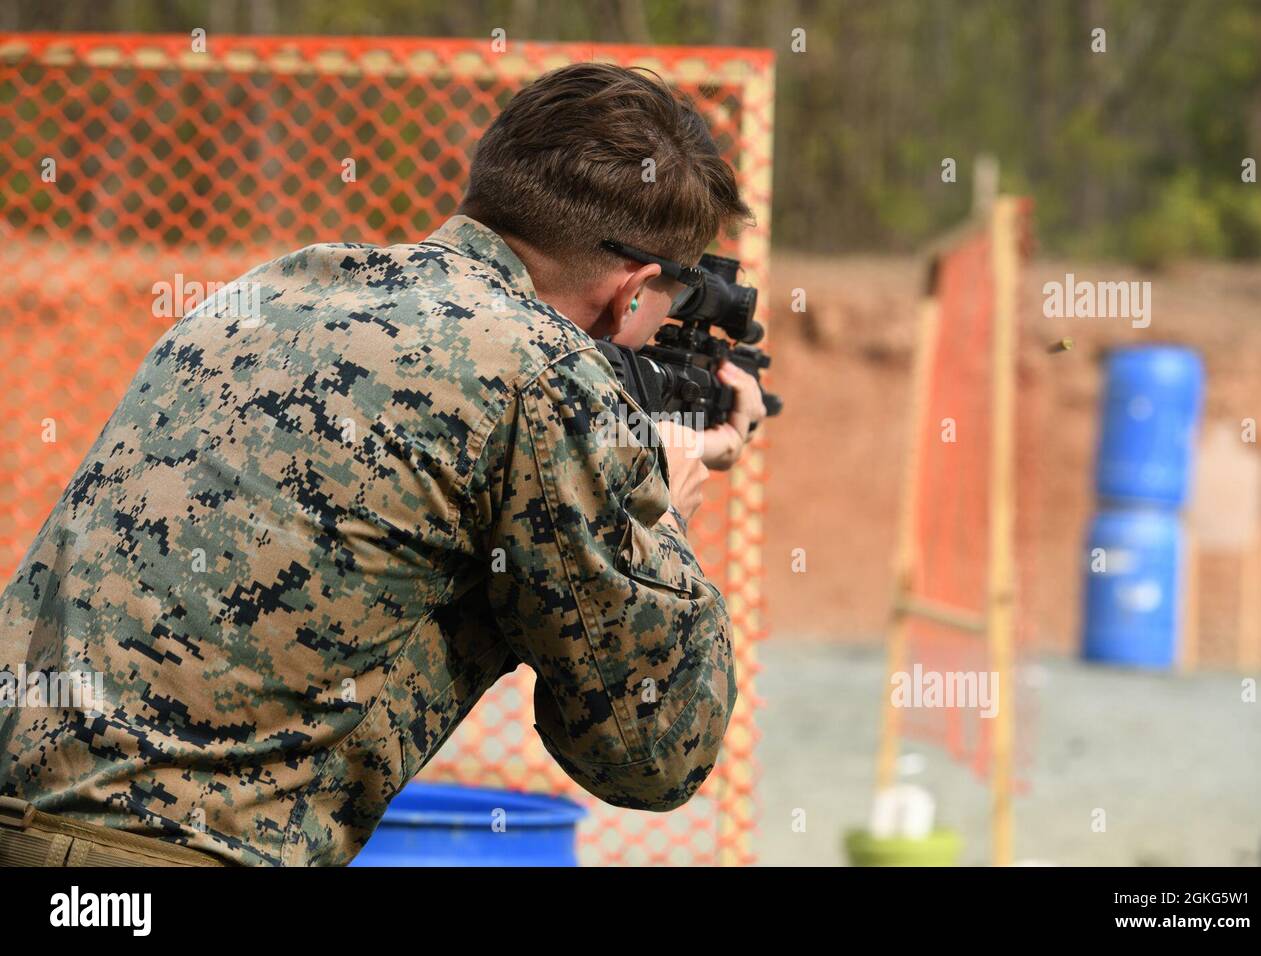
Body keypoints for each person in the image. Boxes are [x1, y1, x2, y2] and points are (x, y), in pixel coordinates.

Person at [0, 62, 765, 866]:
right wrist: (666, 513)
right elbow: (655, 752)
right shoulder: (541, 373)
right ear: (633, 292)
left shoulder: (275, 288)